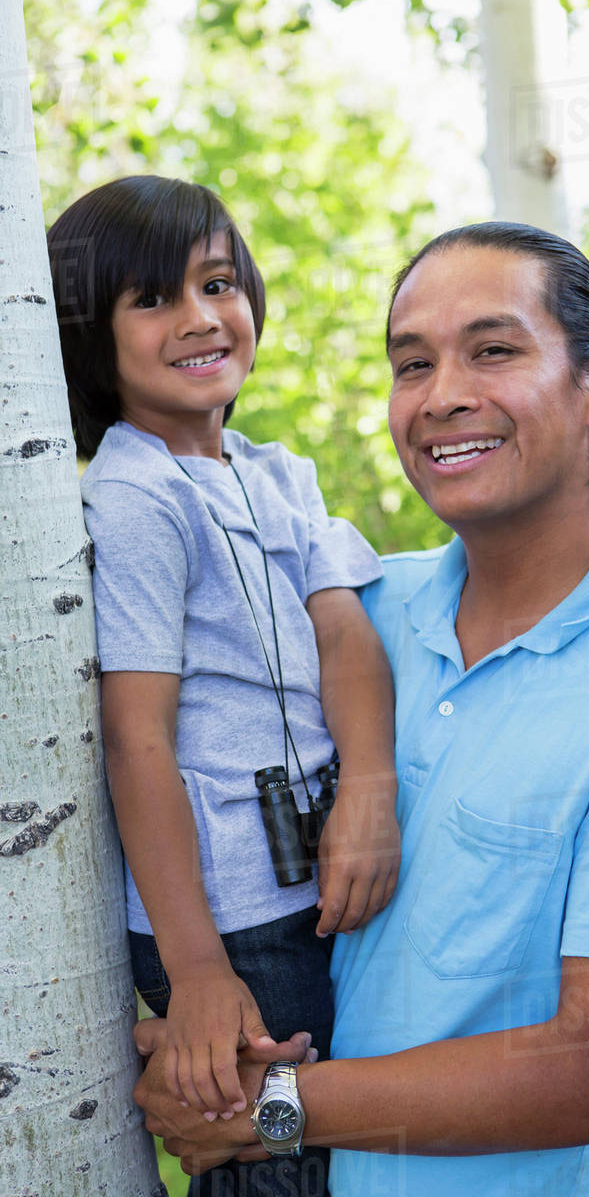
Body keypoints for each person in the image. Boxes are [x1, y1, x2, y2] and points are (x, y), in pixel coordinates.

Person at [133, 222, 589, 1197]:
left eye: (492, 350)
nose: (440, 397)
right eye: (410, 364)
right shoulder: (354, 623)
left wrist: (269, 1106)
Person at [47, 175, 401, 1197]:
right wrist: (198, 970)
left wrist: (369, 794)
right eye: (153, 300)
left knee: (326, 1142)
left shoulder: (276, 471)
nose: (201, 318)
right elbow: (137, 740)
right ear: (89, 338)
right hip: (229, 921)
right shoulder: (133, 495)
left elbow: (345, 639)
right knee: (267, 1152)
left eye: (217, 283)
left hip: (326, 883)